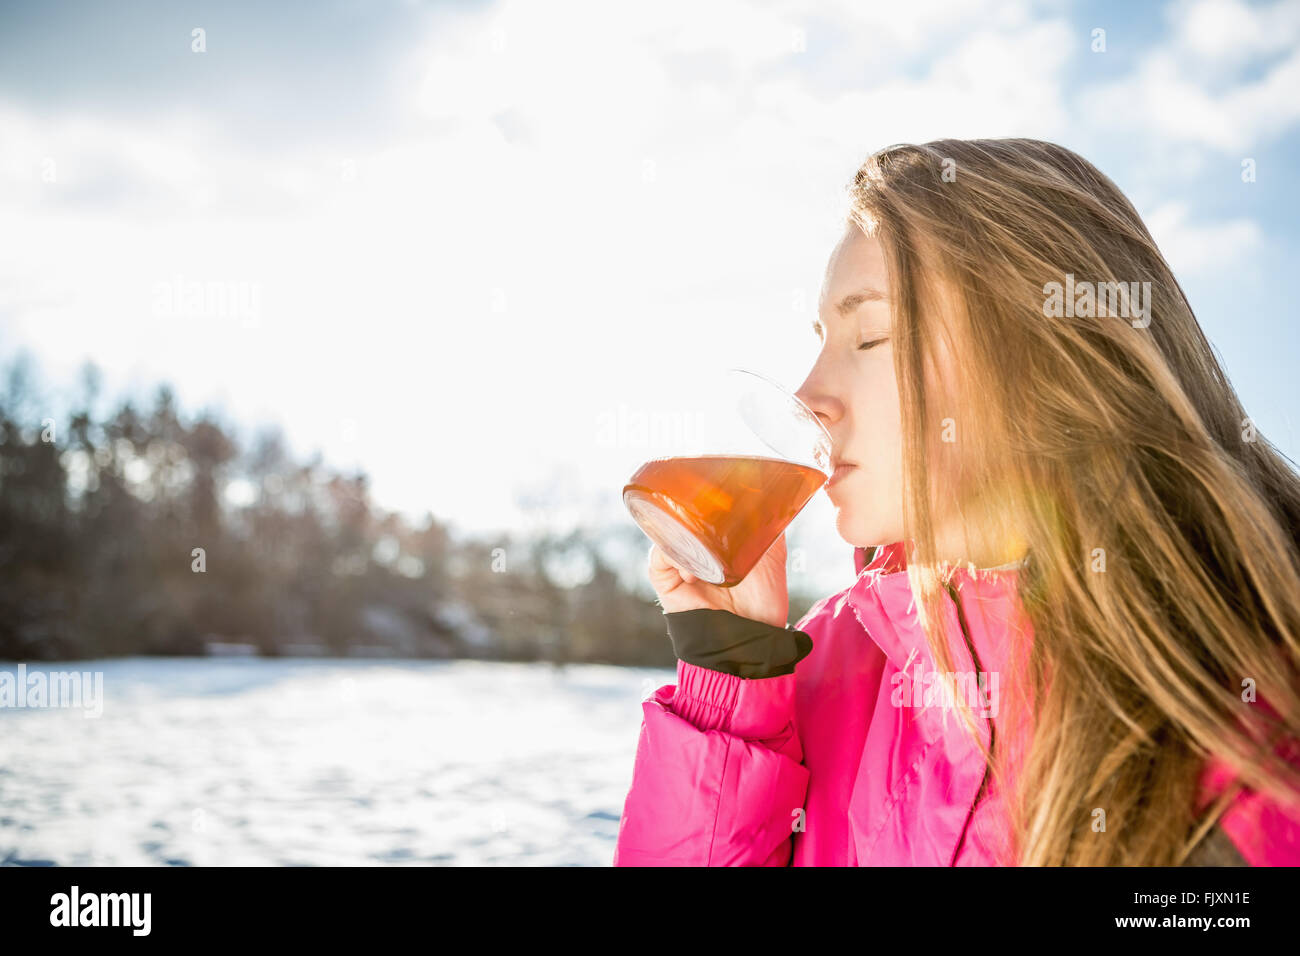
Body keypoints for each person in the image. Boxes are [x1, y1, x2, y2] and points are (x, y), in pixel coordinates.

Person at [612, 138, 1300, 866]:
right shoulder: (832, 662)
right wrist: (733, 676)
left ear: (1044, 355)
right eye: (821, 341)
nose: (808, 399)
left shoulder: (1244, 741)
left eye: (870, 337)